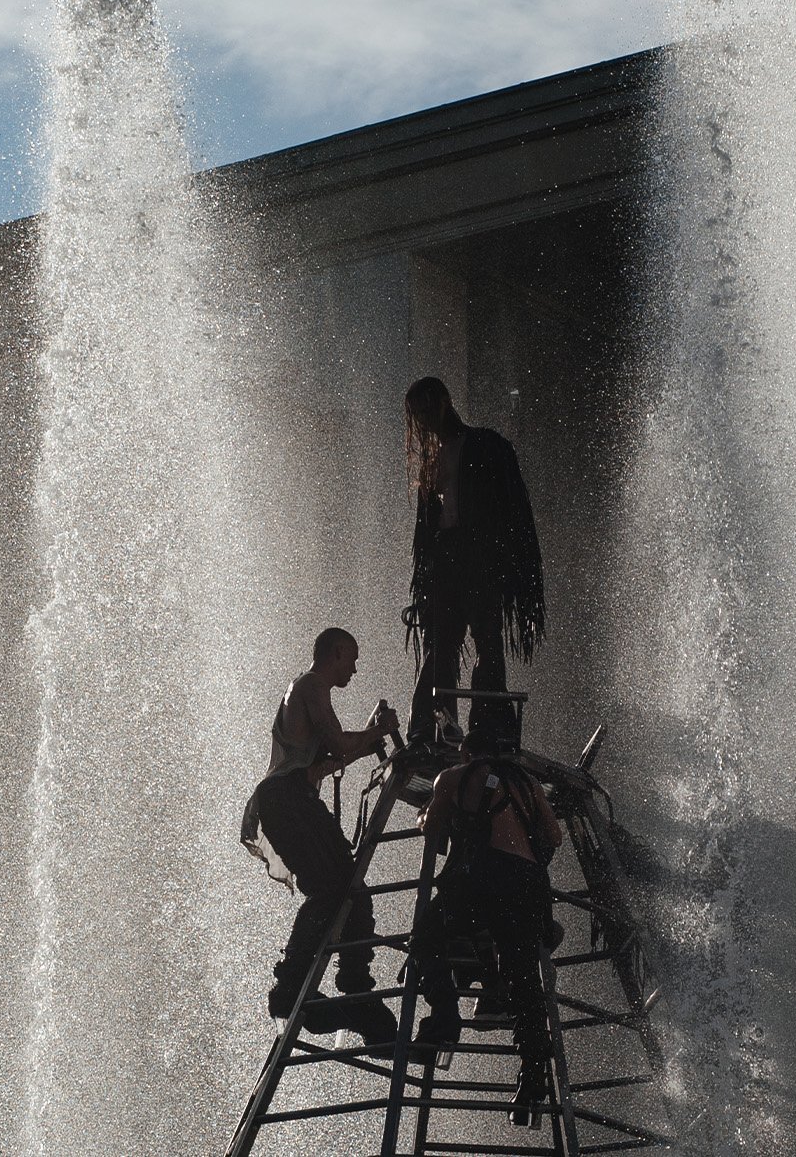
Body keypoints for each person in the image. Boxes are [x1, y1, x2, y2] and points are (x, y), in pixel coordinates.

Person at [241, 627, 403, 1044]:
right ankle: (295, 983)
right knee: (332, 890)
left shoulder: (307, 694)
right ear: (335, 653)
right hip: (286, 800)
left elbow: (329, 760)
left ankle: (351, 985)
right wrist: (380, 729)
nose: (355, 667)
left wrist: (371, 738)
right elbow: (337, 742)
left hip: (291, 799)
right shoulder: (311, 685)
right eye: (352, 658)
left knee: (350, 891)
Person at [411, 750, 563, 1121]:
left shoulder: (451, 776)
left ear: (467, 750)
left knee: (425, 939)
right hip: (528, 884)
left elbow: (432, 827)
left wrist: (426, 813)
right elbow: (554, 836)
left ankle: (445, 1018)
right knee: (523, 977)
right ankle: (532, 1074)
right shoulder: (527, 783)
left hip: (484, 876)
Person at [403, 377, 545, 749]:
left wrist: (510, 567)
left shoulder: (485, 445)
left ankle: (488, 725)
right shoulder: (433, 461)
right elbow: (427, 532)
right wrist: (426, 581)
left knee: (486, 641)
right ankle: (434, 724)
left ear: (446, 402)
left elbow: (512, 511)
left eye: (427, 409)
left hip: (480, 559)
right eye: (416, 414)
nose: (423, 420)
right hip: (448, 562)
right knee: (442, 644)